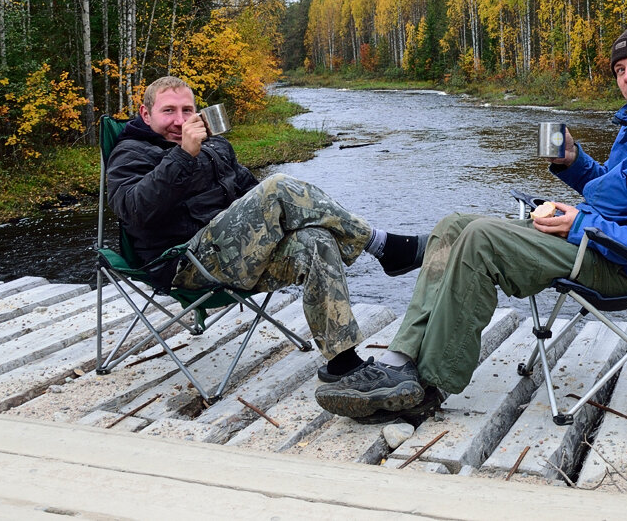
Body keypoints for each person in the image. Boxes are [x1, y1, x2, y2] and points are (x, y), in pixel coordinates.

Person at [314, 25, 627, 418]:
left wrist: (578, 225)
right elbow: (619, 194)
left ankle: (427, 384)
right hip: (600, 240)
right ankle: (399, 360)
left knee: (480, 238)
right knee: (454, 225)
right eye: (619, 69)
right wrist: (575, 164)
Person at [106, 76, 425, 383]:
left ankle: (342, 362)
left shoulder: (214, 146)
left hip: (233, 254)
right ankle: (385, 247)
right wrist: (182, 156)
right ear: (146, 114)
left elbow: (251, 193)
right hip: (184, 263)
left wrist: (284, 224)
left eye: (187, 110)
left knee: (315, 239)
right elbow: (135, 211)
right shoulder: (131, 152)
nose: (180, 120)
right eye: (168, 111)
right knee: (279, 186)